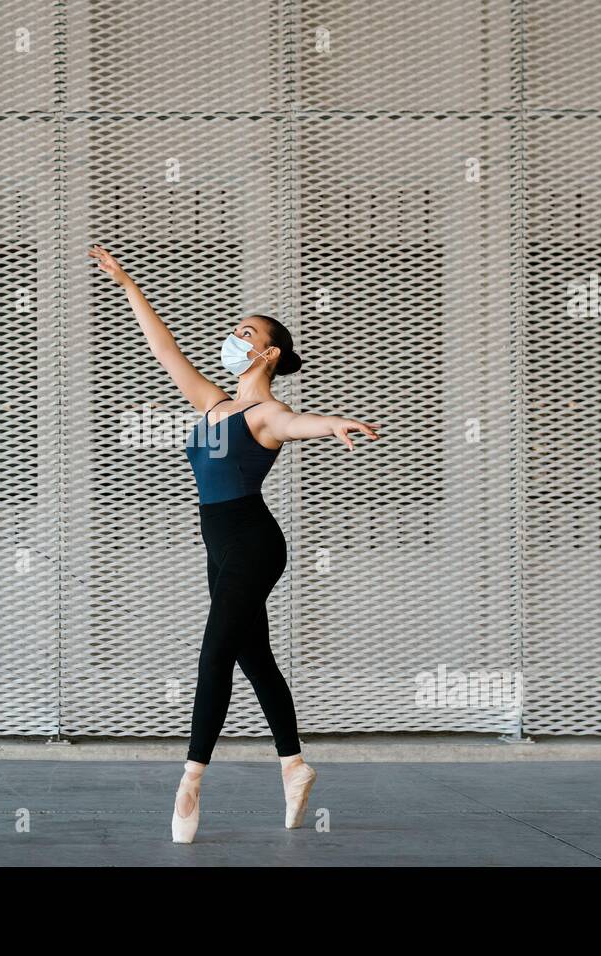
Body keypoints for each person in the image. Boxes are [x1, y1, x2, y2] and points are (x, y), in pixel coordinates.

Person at [88, 244, 379, 844]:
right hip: (219, 548)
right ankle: (294, 767)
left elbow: (301, 425)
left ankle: (190, 781)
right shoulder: (214, 405)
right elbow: (164, 349)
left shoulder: (268, 412)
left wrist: (334, 424)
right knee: (254, 658)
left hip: (252, 543)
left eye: (246, 333)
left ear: (267, 353)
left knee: (214, 652)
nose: (234, 338)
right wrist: (128, 283)